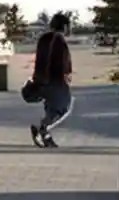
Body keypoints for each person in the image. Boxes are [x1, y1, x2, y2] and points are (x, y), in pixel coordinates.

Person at [29, 12, 74, 148]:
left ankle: (45, 135)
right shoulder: (58, 40)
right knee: (63, 107)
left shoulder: (44, 38)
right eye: (68, 25)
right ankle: (42, 128)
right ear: (64, 26)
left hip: (41, 80)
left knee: (51, 108)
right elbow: (61, 61)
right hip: (55, 81)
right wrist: (66, 75)